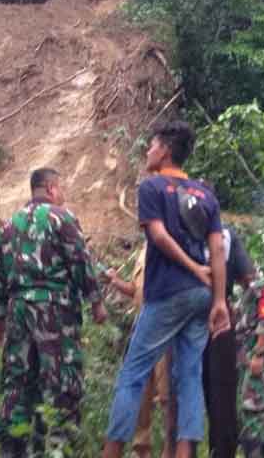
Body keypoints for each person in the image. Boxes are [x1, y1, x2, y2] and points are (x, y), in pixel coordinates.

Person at [102, 121, 230, 458]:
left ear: (165, 151)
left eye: (152, 146)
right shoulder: (206, 194)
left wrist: (190, 268)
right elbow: (216, 250)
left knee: (133, 373)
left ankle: (112, 451)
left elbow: (158, 236)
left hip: (168, 293)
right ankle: (185, 453)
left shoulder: (152, 187)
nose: (147, 151)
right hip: (202, 295)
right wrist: (219, 300)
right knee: (188, 375)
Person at [0, 167, 107, 457]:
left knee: (18, 377)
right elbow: (80, 260)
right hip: (55, 311)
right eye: (61, 188)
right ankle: (53, 444)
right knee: (60, 377)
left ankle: (12, 445)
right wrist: (96, 301)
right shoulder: (61, 217)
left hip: (17, 311)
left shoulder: (9, 225)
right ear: (52, 187)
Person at [103, 244, 175, 458]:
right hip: (142, 329)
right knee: (141, 393)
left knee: (166, 395)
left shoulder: (172, 243)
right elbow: (136, 290)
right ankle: (141, 449)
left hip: (165, 329)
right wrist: (116, 281)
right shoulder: (144, 251)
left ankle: (171, 450)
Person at [202, 223, 255, 458]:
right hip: (221, 321)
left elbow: (251, 280)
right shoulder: (227, 236)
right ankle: (221, 452)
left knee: (183, 396)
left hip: (187, 323)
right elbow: (250, 279)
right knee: (222, 399)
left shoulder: (177, 230)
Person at [233, 266, 264, 458]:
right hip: (247, 356)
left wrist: (259, 353)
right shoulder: (246, 291)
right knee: (249, 409)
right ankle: (260, 450)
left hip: (260, 355)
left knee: (253, 406)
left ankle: (259, 452)